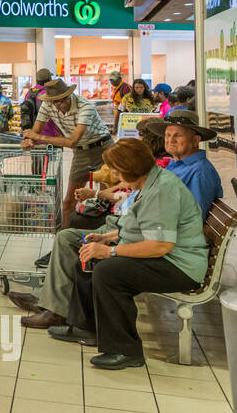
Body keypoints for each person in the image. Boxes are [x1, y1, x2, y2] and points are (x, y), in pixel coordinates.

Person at [49, 138, 210, 370]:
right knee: (87, 255)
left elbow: (160, 245)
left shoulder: (162, 191)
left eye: (118, 171)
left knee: (108, 272)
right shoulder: (151, 182)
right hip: (165, 257)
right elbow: (140, 227)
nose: (115, 176)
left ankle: (126, 351)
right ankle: (86, 327)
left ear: (131, 169)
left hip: (178, 266)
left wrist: (110, 251)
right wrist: (107, 238)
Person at [22, 78, 114, 230]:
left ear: (68, 96)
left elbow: (72, 141)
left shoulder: (85, 106)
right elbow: (35, 131)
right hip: (81, 152)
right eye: (53, 102)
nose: (57, 106)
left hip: (104, 148)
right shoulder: (48, 104)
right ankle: (64, 241)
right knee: (69, 202)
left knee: (105, 198)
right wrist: (29, 140)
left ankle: (105, 238)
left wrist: (38, 138)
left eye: (60, 102)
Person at [136, 110, 222, 217]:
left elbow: (192, 219)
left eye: (178, 135)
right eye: (167, 135)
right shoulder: (176, 163)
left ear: (195, 140)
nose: (170, 140)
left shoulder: (199, 172)